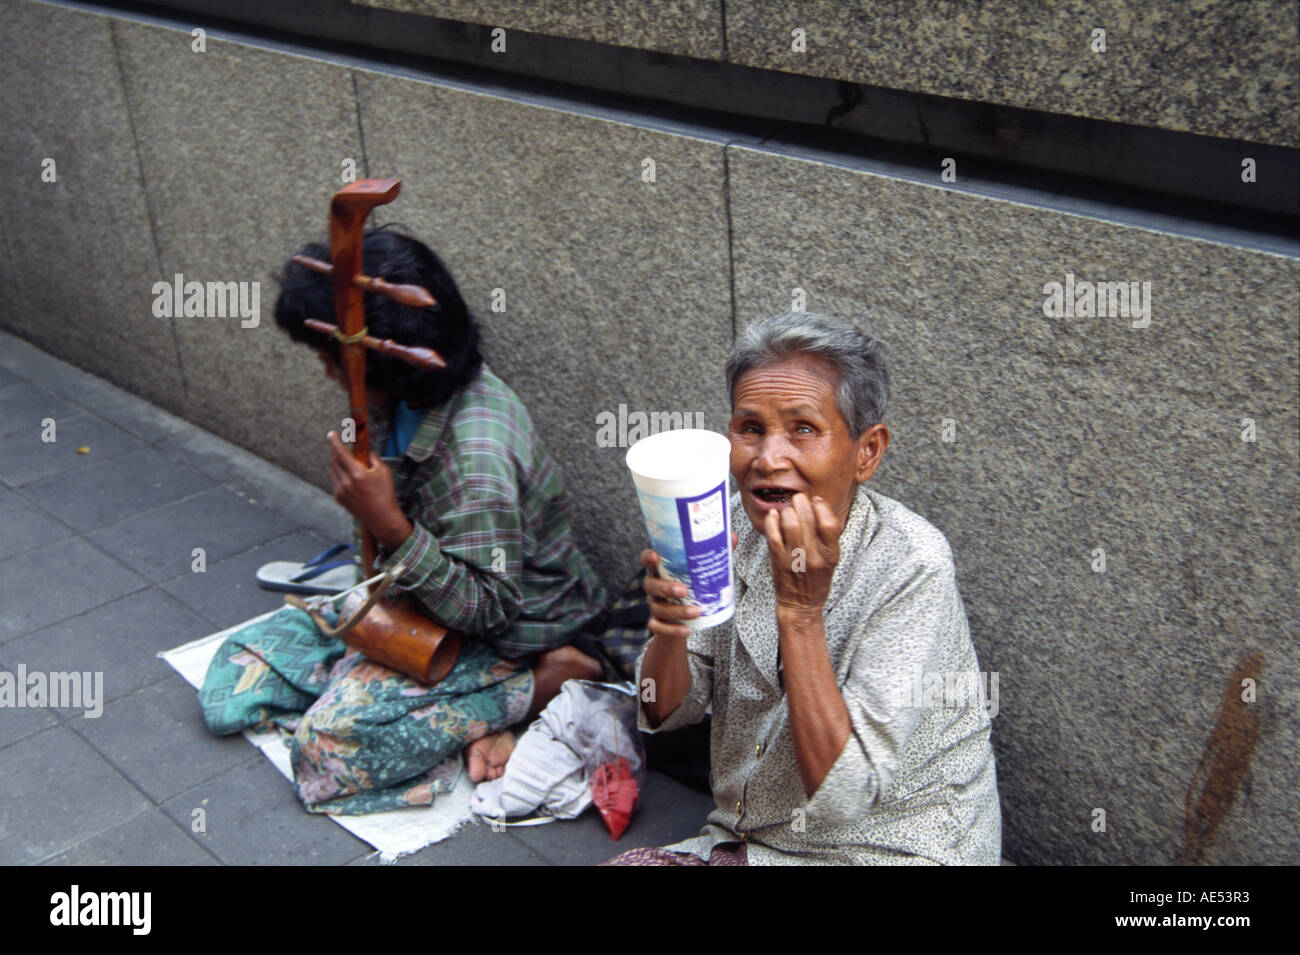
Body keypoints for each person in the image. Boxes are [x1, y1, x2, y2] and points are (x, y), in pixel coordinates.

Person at [198, 228, 607, 814]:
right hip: (420, 603)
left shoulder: (476, 457)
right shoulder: (402, 396)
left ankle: (542, 685)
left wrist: (390, 528)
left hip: (510, 632)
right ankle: (446, 711)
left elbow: (490, 606)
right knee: (235, 682)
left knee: (323, 751)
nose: (324, 372)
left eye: (326, 358)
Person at [606, 312, 1002, 865]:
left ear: (867, 452)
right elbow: (664, 713)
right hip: (752, 839)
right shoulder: (725, 531)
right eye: (750, 429)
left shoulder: (912, 563)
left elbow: (843, 795)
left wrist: (799, 610)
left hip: (890, 850)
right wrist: (670, 632)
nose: (769, 458)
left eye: (804, 429)